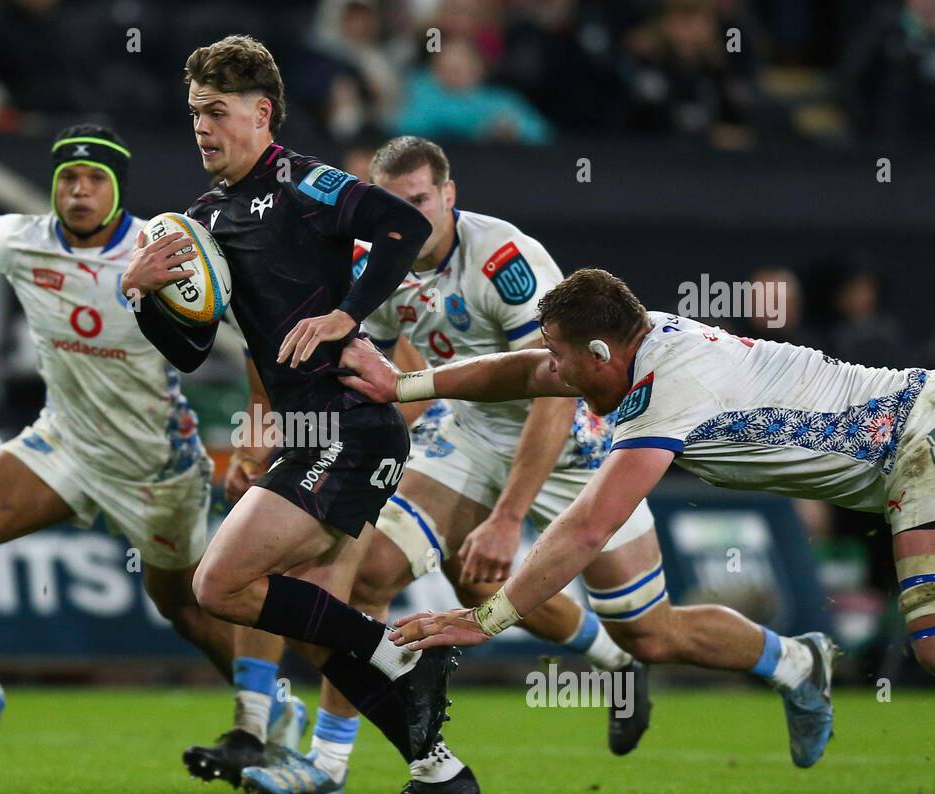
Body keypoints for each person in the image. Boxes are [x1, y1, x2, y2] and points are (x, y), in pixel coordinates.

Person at [342, 267, 935, 765]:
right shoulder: (637, 339)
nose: (557, 371)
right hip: (911, 444)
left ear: (599, 352)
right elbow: (525, 371)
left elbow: (588, 526)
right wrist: (403, 385)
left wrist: (485, 620)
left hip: (919, 440)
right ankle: (796, 664)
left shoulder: (665, 389)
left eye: (561, 356)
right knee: (643, 630)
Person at [239, 136, 657, 794]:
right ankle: (329, 761)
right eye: (395, 205)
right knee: (369, 571)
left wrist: (508, 517)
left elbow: (555, 387)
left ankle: (770, 663)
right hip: (467, 432)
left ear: (449, 195)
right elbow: (344, 356)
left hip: (565, 436)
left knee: (652, 625)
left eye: (422, 201)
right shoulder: (377, 267)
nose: (413, 217)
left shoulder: (503, 261)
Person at [0, 125, 289, 753]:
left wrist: (257, 430)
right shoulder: (20, 239)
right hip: (64, 443)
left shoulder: (165, 249)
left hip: (155, 465)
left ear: (117, 190)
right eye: (67, 179)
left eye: (94, 180)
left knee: (189, 609)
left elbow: (258, 335)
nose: (79, 191)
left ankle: (271, 718)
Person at [120, 35, 470, 794]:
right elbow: (193, 346)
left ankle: (400, 658)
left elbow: (401, 231)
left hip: (353, 424)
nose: (202, 128)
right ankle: (442, 771)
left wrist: (346, 312)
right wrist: (142, 296)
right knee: (320, 632)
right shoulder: (205, 217)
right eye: (193, 114)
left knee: (218, 582)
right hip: (310, 436)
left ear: (261, 113)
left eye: (216, 111)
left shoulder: (303, 181)